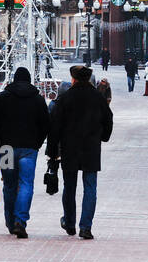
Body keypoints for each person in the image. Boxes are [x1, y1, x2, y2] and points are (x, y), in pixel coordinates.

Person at [0, 66, 50, 239]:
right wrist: (37, 142)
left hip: (6, 149)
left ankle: (11, 222)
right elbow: (45, 125)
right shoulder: (37, 99)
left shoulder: (3, 98)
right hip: (28, 149)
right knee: (26, 184)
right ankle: (21, 220)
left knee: (9, 185)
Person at [47, 64, 113, 240]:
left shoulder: (66, 98)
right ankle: (86, 227)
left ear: (74, 79)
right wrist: (103, 137)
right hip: (91, 148)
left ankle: (69, 223)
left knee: (70, 187)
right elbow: (108, 118)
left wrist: (52, 150)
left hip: (70, 149)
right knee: (90, 187)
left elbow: (55, 126)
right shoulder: (97, 98)